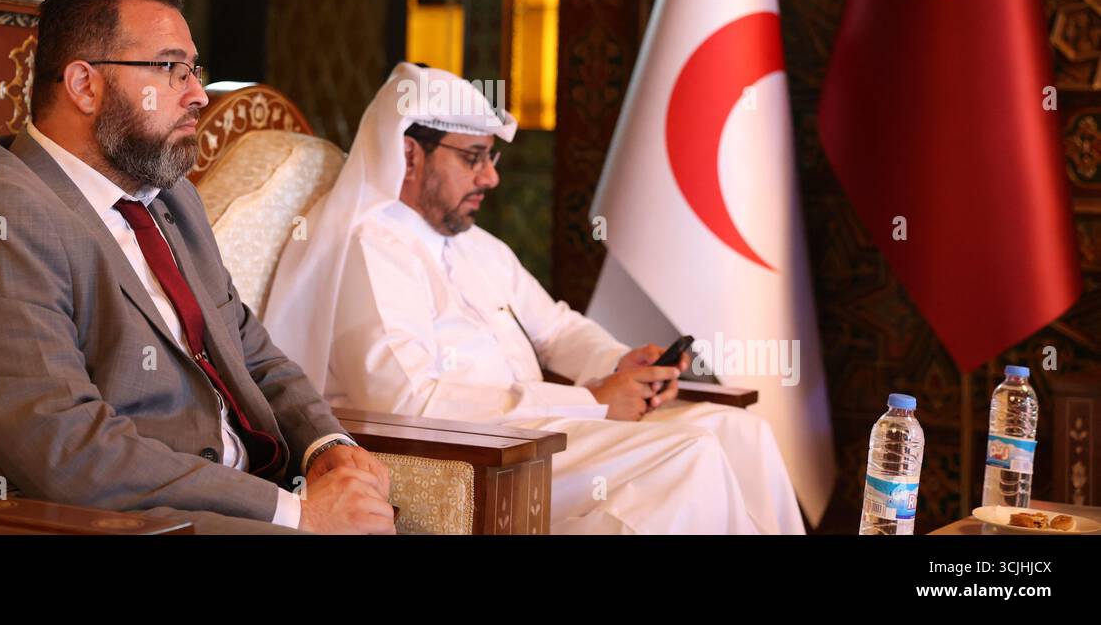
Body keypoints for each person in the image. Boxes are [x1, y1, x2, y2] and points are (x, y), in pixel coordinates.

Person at [0, 0, 393, 535]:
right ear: (85, 85)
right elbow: (72, 452)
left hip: (215, 500)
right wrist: (301, 516)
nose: (197, 95)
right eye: (169, 69)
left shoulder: (168, 200)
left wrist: (326, 446)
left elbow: (246, 346)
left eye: (193, 70)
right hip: (72, 519)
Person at [264, 62, 804, 534]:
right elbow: (409, 406)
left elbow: (557, 327)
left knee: (744, 432)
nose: (492, 177)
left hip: (539, 427)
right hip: (478, 454)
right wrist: (590, 401)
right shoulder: (367, 247)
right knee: (690, 457)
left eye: (491, 157)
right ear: (409, 153)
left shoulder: (475, 244)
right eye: (473, 157)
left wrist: (617, 363)